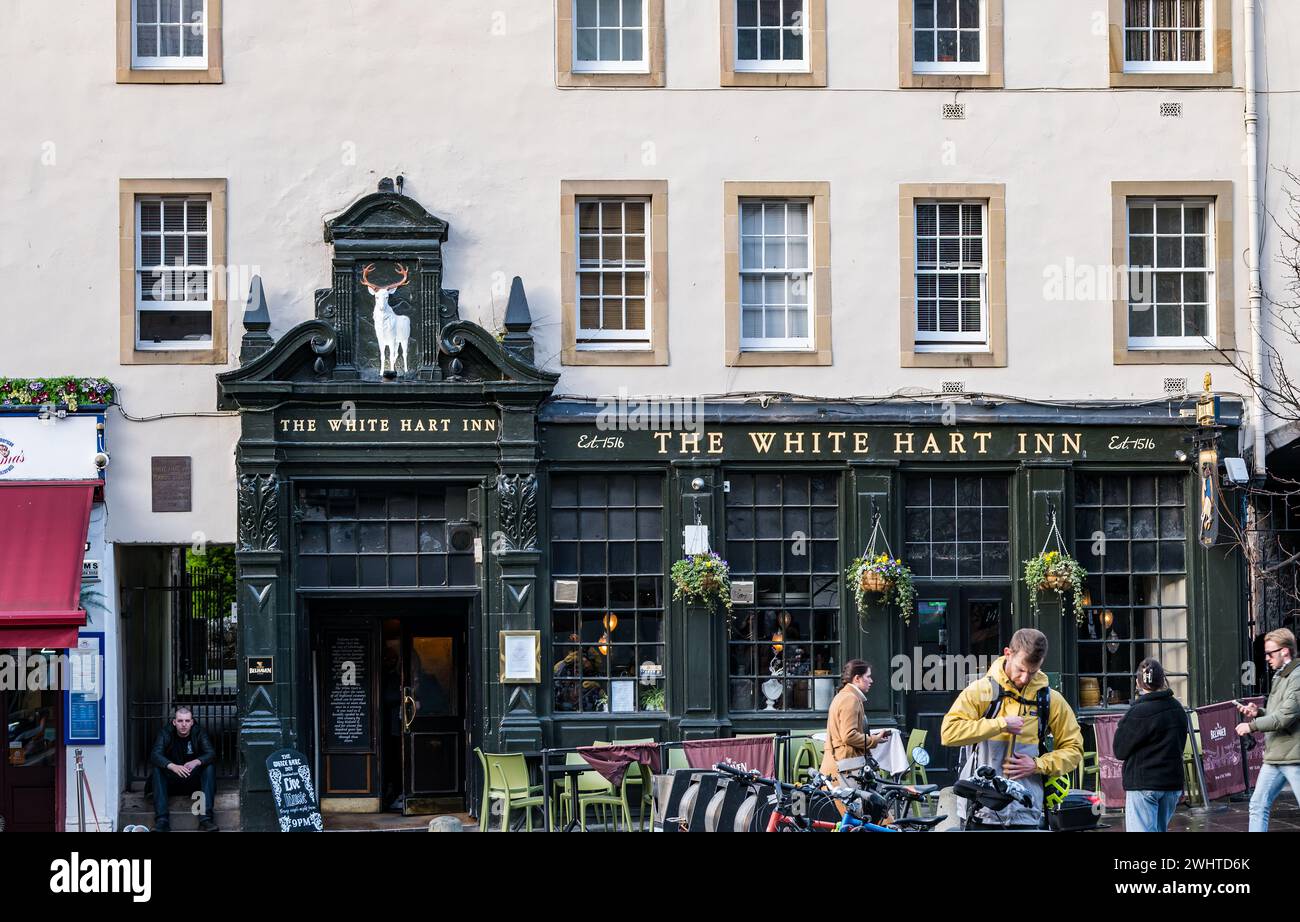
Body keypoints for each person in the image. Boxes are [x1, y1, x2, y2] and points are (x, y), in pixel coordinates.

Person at [941, 628, 1084, 828]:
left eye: (1033, 672)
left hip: (1027, 810)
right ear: (1007, 653)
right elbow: (949, 733)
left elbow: (1074, 750)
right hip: (981, 810)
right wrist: (1000, 724)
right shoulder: (982, 691)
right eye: (1020, 669)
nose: (1025, 678)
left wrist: (1037, 765)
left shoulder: (1051, 700)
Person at [1112, 658, 1187, 831]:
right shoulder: (1177, 708)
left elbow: (1120, 750)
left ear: (1138, 683)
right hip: (1171, 782)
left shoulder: (1138, 712)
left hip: (1144, 783)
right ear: (1162, 680)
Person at [1236, 627, 1300, 832]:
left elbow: (1285, 717)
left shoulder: (1297, 678)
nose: (1266, 658)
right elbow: (1277, 712)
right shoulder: (1281, 675)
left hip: (1294, 756)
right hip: (1276, 755)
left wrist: (1251, 726)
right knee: (1257, 805)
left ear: (1285, 651)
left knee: (1258, 805)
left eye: (1270, 653)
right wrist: (1259, 712)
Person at [820, 660, 891, 790]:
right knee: (863, 808)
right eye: (868, 676)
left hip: (841, 765)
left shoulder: (843, 696)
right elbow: (848, 736)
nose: (871, 681)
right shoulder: (850, 699)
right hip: (847, 767)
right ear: (857, 678)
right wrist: (874, 740)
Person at [150, 705, 218, 832]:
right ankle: (162, 821)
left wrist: (197, 761)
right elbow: (155, 754)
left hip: (194, 782)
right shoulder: (165, 733)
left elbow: (211, 753)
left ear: (192, 722)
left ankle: (206, 820)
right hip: (172, 781)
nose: (184, 724)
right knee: (157, 769)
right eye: (180, 721)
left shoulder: (199, 732)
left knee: (208, 767)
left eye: (187, 721)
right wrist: (172, 766)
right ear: (174, 722)